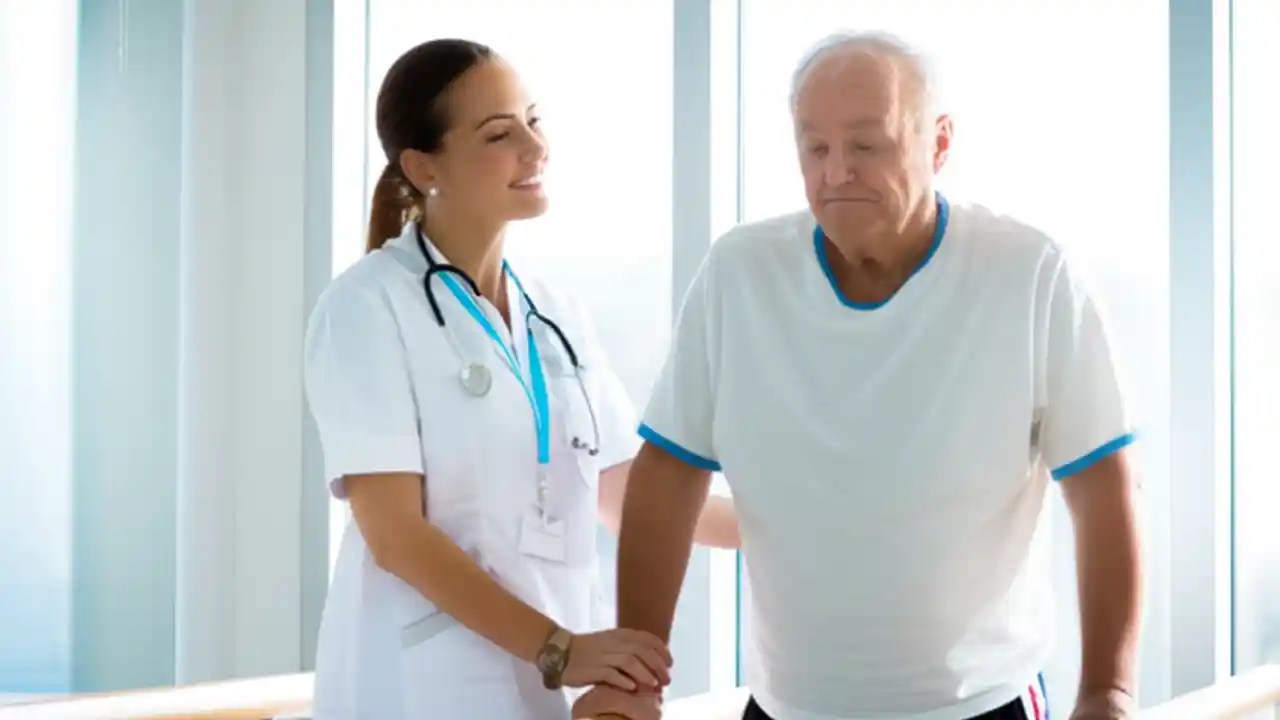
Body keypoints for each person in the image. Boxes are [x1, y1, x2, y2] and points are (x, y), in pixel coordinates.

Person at [574, 31, 1143, 720]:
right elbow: (668, 473)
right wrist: (635, 678)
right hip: (788, 707)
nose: (838, 171)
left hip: (977, 705)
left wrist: (1108, 691)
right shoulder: (739, 274)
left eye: (867, 145)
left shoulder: (1029, 274)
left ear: (938, 143)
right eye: (815, 148)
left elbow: (1102, 486)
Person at [304, 38, 740, 719]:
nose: (535, 149)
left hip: (545, 684)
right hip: (424, 690)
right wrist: (558, 649)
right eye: (499, 134)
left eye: (533, 122)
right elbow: (395, 535)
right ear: (423, 167)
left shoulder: (553, 313)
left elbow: (627, 495)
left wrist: (797, 526)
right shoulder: (365, 307)